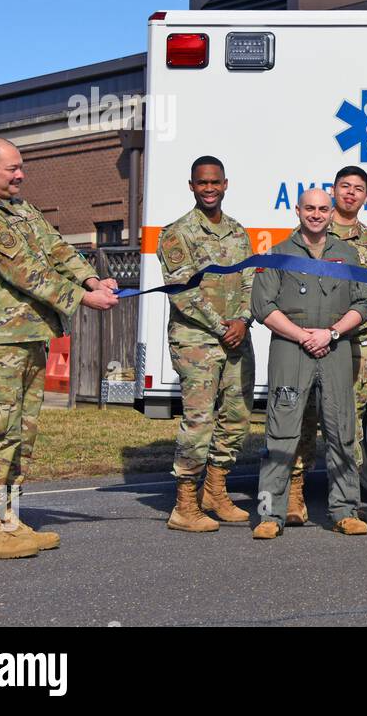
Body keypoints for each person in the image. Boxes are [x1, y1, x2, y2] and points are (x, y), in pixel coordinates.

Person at [0, 137, 119, 559]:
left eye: (22, 166)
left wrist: (90, 279)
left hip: (27, 338)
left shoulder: (20, 210)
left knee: (21, 433)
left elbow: (56, 248)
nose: (21, 174)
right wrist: (83, 299)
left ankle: (8, 519)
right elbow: (24, 271)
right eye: (12, 169)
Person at [251, 188, 367, 539]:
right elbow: (263, 306)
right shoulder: (279, 253)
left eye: (323, 208)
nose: (316, 214)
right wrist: (302, 335)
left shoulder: (347, 253)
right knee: (281, 432)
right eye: (310, 208)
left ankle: (345, 510)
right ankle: (268, 514)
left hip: (335, 349)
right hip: (291, 350)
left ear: (332, 212)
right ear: (297, 210)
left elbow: (364, 303)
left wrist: (331, 334)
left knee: (342, 432)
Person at [157, 155, 255, 533]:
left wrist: (243, 320)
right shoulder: (176, 233)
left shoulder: (238, 232)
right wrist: (221, 326)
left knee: (238, 416)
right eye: (202, 183)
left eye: (215, 182)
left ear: (226, 184)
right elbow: (183, 293)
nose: (209, 189)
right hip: (197, 340)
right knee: (199, 421)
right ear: (192, 186)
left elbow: (250, 280)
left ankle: (215, 490)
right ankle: (185, 504)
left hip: (235, 337)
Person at [287, 166, 367, 527]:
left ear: (366, 196)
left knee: (347, 424)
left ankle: (346, 498)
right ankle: (294, 494)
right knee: (302, 418)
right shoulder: (309, 234)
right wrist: (312, 334)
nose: (350, 193)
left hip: (350, 346)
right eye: (344, 187)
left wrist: (333, 331)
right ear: (332, 192)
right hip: (305, 343)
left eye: (358, 188)